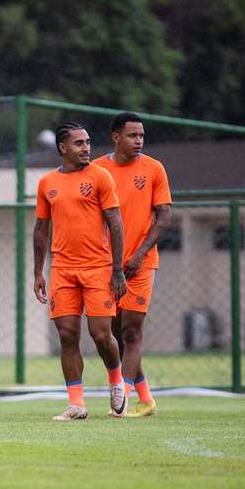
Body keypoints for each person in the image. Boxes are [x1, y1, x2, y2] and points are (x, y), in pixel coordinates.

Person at [33, 122, 128, 421]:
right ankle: (77, 404)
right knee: (67, 335)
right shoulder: (47, 182)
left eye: (88, 142)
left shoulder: (100, 177)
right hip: (62, 269)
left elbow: (115, 222)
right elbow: (40, 230)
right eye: (79, 143)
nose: (86, 148)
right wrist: (39, 272)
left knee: (101, 334)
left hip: (98, 268)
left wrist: (117, 270)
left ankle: (116, 382)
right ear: (63, 148)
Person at [93, 113, 172, 417]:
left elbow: (164, 216)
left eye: (141, 136)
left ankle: (121, 397)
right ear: (116, 137)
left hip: (141, 263)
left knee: (131, 333)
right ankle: (146, 399)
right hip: (105, 264)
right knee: (110, 335)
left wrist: (139, 254)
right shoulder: (98, 169)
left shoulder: (154, 169)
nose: (139, 141)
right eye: (132, 136)